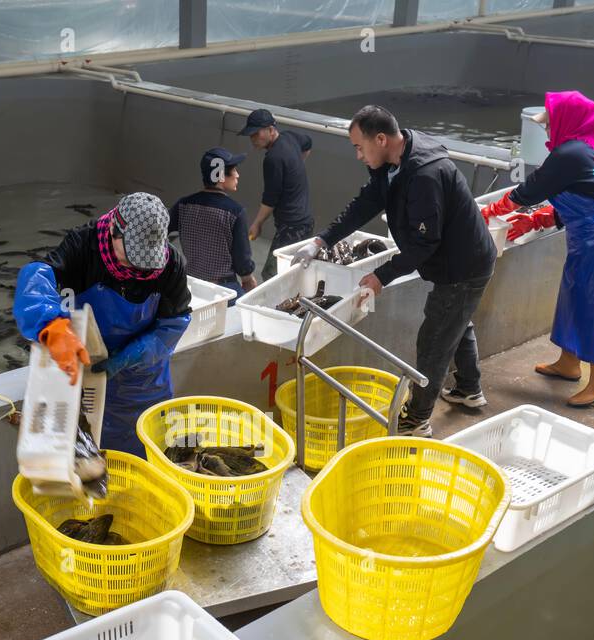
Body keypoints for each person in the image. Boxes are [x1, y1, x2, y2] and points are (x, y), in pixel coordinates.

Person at [291, 105, 498, 436]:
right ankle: (469, 390)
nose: (358, 155)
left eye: (360, 147)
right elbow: (365, 204)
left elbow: (423, 244)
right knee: (455, 323)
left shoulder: (425, 175)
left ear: (382, 139)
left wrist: (380, 277)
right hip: (461, 258)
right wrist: (321, 240)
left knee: (434, 340)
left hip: (463, 266)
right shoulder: (393, 163)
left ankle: (417, 421)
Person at [13, 192, 192, 457]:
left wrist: (139, 352)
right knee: (83, 453)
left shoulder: (171, 265)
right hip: (83, 367)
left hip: (140, 381)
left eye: (145, 259)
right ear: (114, 229)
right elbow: (36, 278)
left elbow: (175, 321)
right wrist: (52, 327)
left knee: (144, 451)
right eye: (131, 255)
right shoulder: (83, 245)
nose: (138, 267)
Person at [481, 90, 594, 408]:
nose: (546, 129)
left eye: (550, 123)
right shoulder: (589, 152)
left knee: (593, 306)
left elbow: (527, 191)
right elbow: (587, 199)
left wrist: (486, 213)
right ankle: (569, 363)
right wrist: (535, 222)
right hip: (589, 235)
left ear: (567, 121)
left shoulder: (569, 154)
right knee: (572, 298)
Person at [169, 147, 257, 301]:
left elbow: (162, 235)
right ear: (220, 176)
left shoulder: (183, 205)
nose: (237, 174)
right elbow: (242, 261)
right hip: (223, 289)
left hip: (190, 285)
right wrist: (248, 279)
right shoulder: (236, 212)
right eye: (234, 170)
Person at [240, 108, 315, 280]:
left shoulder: (273, 158)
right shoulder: (290, 137)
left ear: (271, 130)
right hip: (305, 222)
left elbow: (270, 199)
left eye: (256, 133)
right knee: (294, 271)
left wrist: (257, 224)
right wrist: (296, 165)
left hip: (292, 227)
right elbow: (308, 143)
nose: (252, 139)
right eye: (250, 134)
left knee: (272, 274)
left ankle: (277, 307)